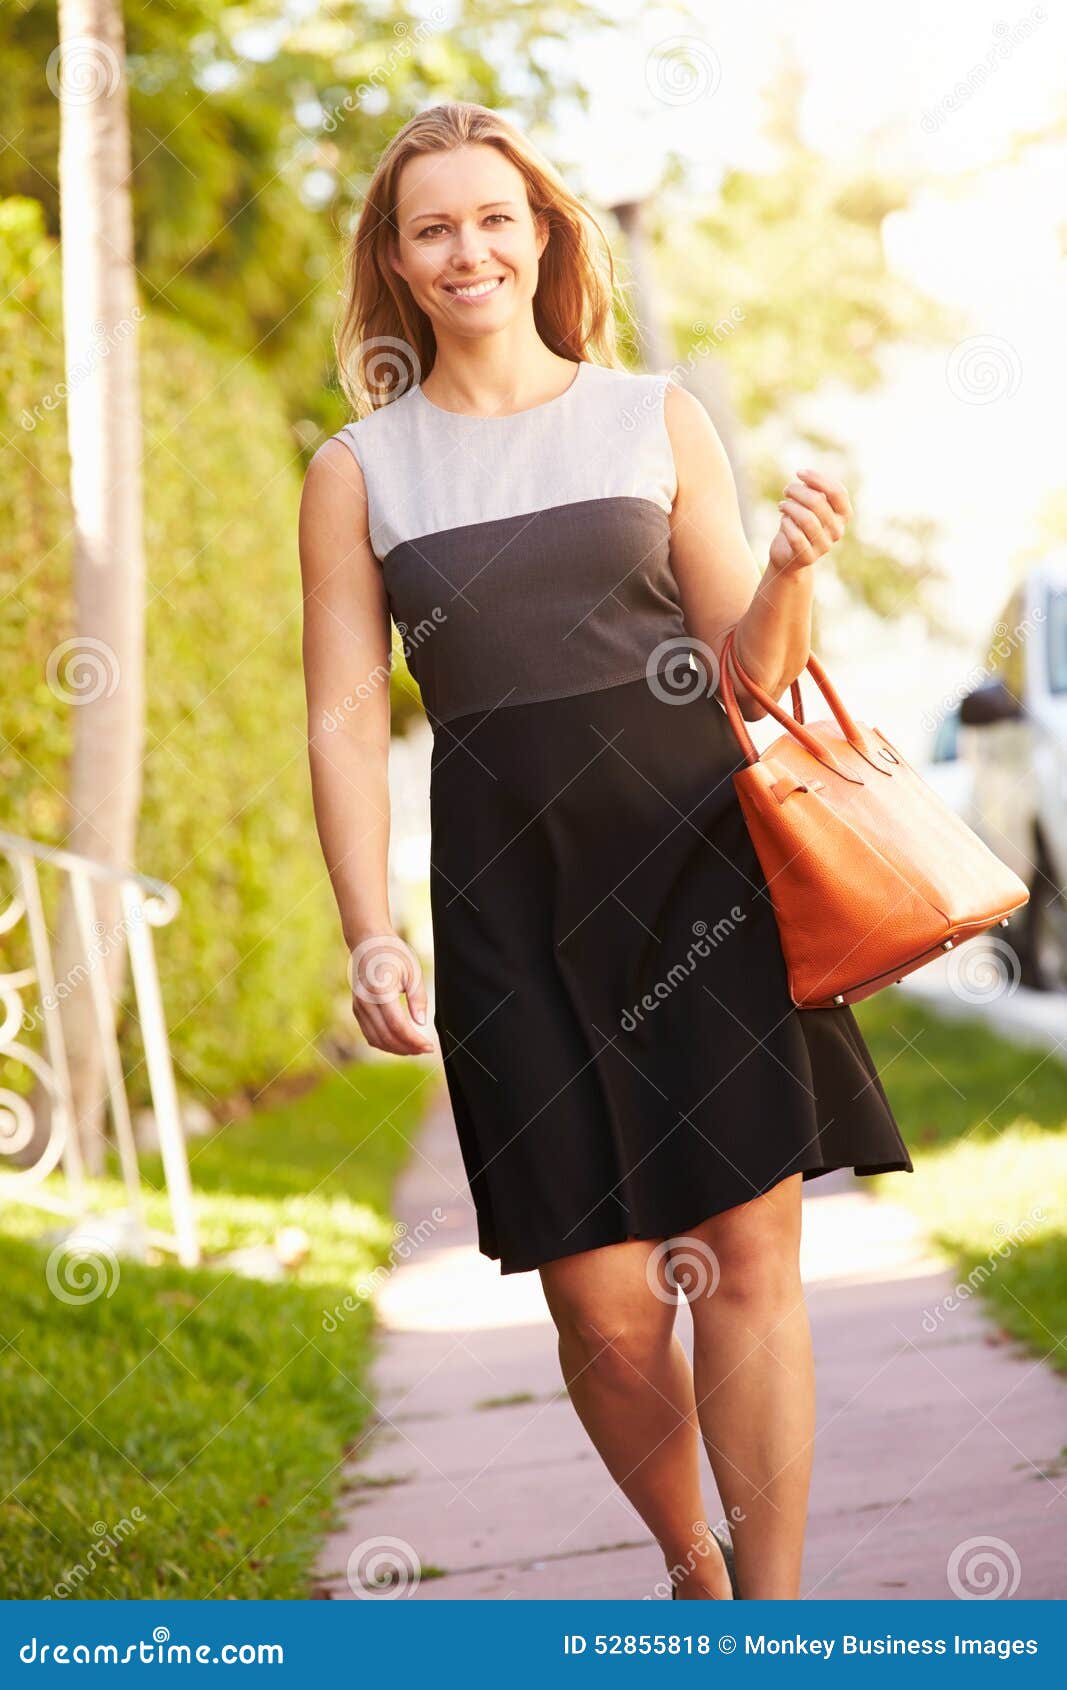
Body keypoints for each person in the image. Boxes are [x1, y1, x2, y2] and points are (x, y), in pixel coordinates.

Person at [298, 100, 912, 1602]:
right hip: (505, 905)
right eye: (433, 225)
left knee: (755, 1266)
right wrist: (370, 926)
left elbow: (749, 675)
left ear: (543, 231)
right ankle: (689, 1559)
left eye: (495, 217)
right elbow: (334, 717)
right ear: (396, 256)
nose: (469, 248)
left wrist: (790, 572)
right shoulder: (360, 467)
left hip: (701, 876)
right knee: (607, 1312)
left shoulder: (654, 416)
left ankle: (764, 1624)